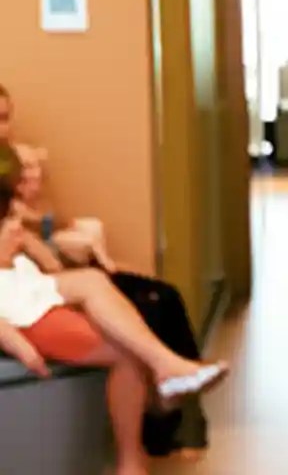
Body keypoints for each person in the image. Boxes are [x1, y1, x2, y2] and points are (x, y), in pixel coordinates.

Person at [0, 146, 228, 475]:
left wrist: (25, 245)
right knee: (123, 348)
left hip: (21, 286)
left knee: (97, 284)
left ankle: (165, 371)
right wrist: (6, 333)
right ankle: (139, 444)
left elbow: (46, 260)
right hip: (14, 306)